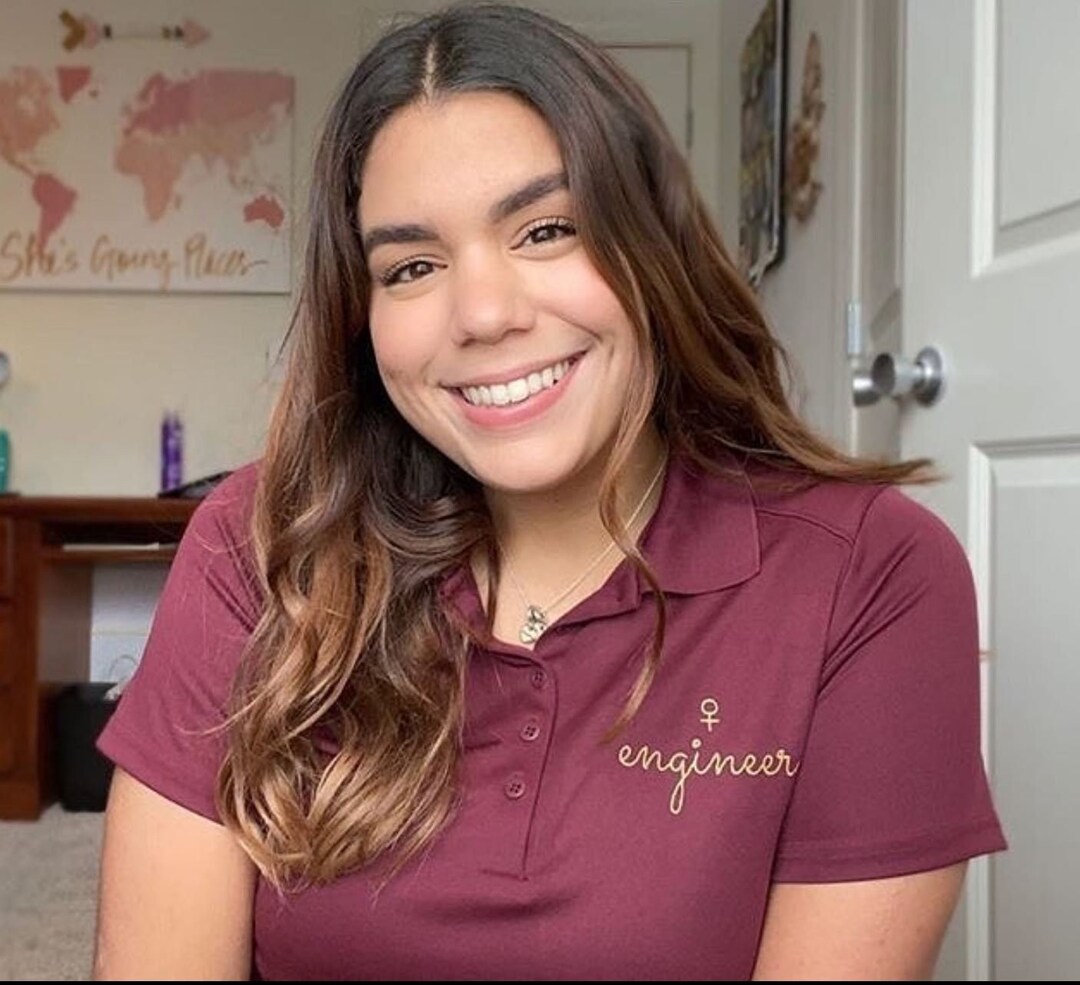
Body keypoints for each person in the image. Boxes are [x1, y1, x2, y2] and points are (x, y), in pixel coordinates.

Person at [92, 3, 1006, 979]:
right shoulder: (260, 542)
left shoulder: (873, 574)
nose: (483, 313)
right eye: (413, 264)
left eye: (547, 228)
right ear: (364, 318)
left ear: (653, 248)